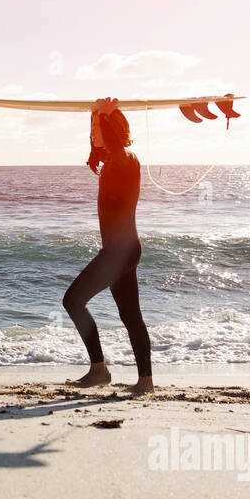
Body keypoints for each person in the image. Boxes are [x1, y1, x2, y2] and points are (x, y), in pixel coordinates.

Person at [62, 98, 153, 391]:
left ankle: (99, 370)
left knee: (73, 301)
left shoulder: (127, 157)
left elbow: (114, 145)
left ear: (110, 128)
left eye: (97, 126)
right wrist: (97, 120)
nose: (93, 130)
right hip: (122, 250)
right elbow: (104, 148)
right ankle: (145, 382)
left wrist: (104, 114)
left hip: (120, 251)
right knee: (130, 315)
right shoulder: (113, 160)